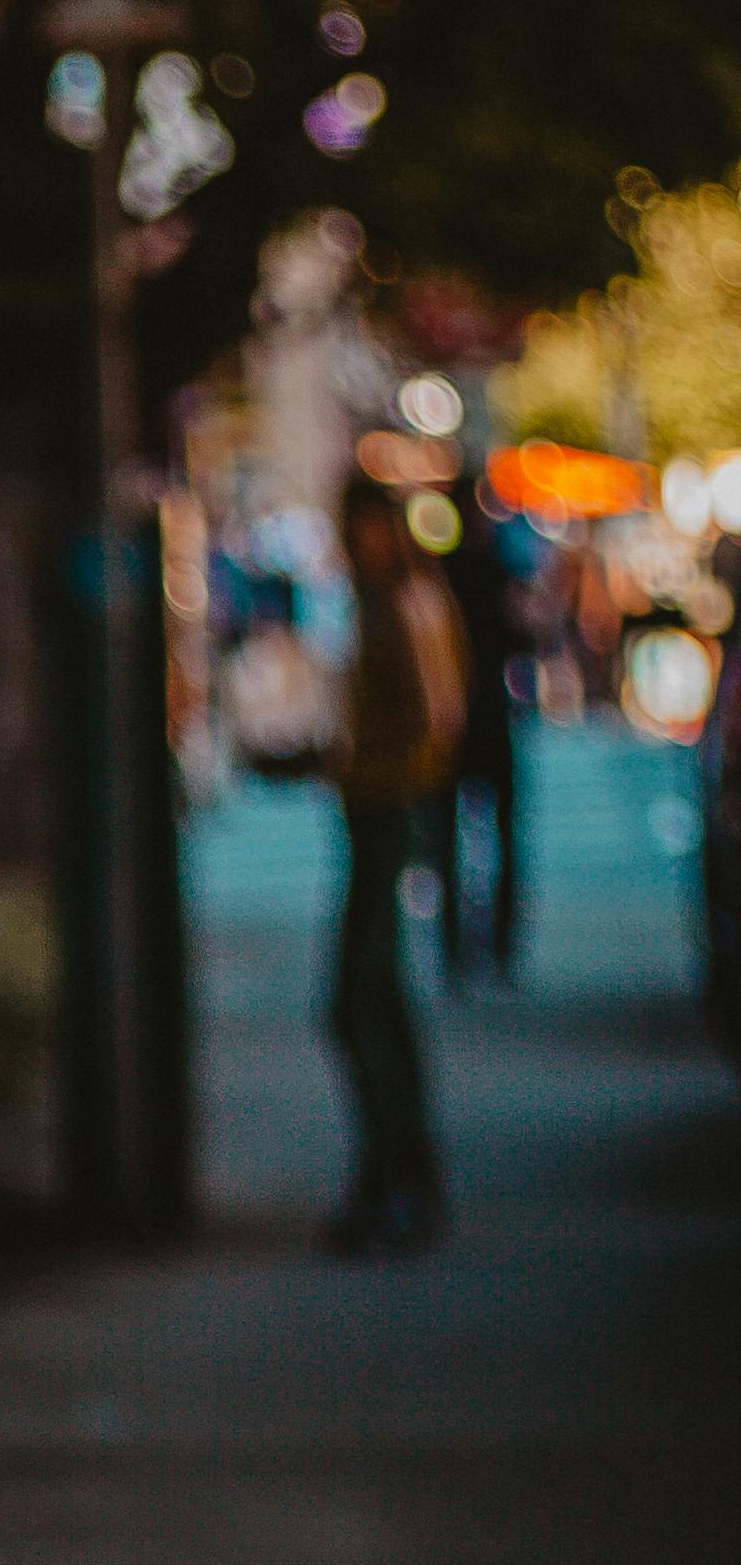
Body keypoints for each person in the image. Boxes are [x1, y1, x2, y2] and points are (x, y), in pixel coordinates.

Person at [325, 461, 465, 1255]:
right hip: (373, 814)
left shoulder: (405, 603)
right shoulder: (384, 600)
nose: (353, 543)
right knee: (370, 1003)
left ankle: (399, 1175)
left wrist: (356, 763)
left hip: (385, 818)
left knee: (361, 1001)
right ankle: (393, 1174)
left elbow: (434, 722)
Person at [436, 482, 527, 984]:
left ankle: (456, 948)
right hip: (490, 714)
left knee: (449, 838)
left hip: (458, 720)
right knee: (504, 836)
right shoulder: (496, 569)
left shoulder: (443, 573)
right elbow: (524, 637)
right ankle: (499, 947)